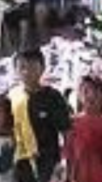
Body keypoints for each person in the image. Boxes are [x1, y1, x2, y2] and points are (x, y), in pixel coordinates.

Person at [10, 49, 72, 182]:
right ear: (16, 70)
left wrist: (65, 161)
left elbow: (66, 132)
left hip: (48, 162)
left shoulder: (52, 97)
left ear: (42, 68)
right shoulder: (12, 97)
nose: (26, 72)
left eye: (32, 67)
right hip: (19, 162)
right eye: (22, 67)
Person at [65, 78, 102, 182]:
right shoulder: (72, 122)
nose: (90, 95)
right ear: (80, 96)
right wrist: (68, 176)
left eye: (95, 92)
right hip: (79, 176)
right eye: (86, 91)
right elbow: (69, 153)